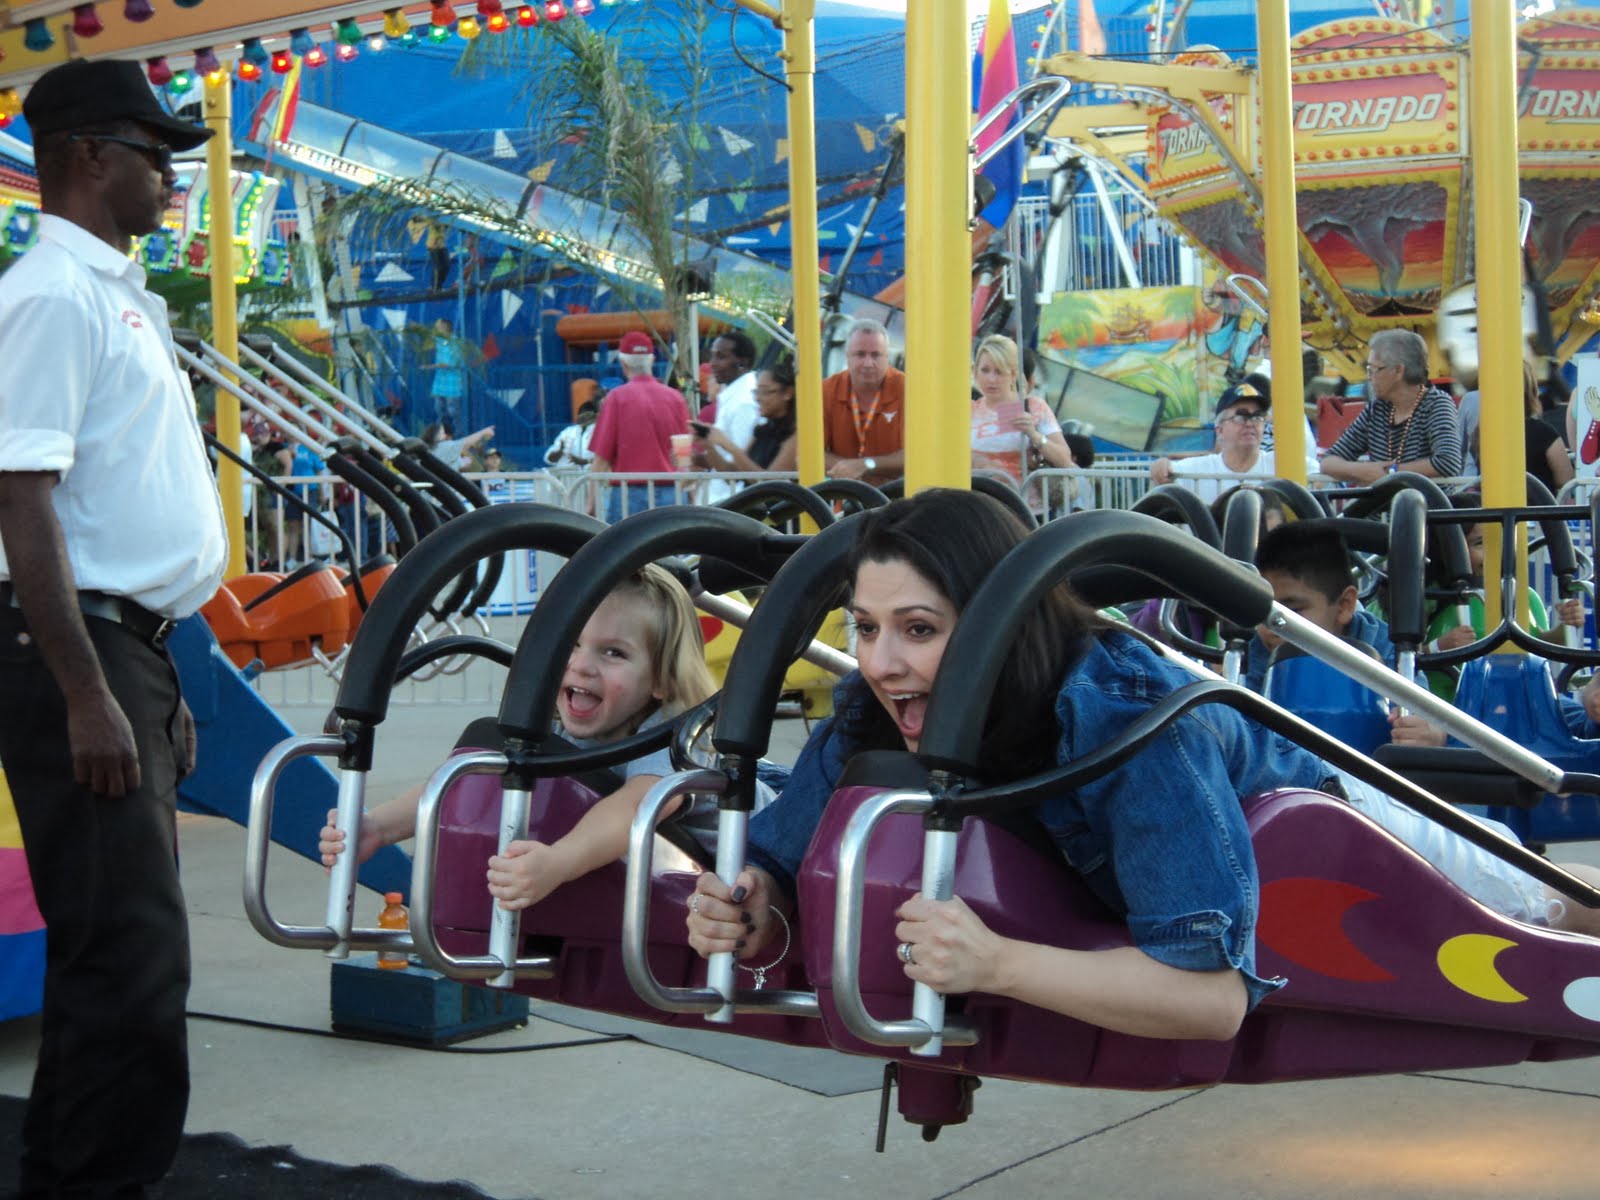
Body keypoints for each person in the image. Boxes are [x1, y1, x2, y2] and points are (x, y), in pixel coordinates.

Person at [684, 490, 1600, 1042]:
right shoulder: (869, 711)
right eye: (867, 628)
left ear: (1002, 628)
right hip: (1205, 835)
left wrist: (998, 965)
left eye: (919, 630)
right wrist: (749, 911)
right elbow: (770, 864)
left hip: (1318, 813)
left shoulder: (1127, 723)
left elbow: (1208, 1002)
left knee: (1544, 907)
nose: (880, 663)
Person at [0, 59, 228, 1198]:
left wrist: (152, 676)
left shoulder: (112, 291)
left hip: (120, 649)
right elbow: (22, 499)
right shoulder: (52, 294)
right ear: (91, 154)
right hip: (73, 659)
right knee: (132, 967)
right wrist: (86, 690)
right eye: (156, 154)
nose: (170, 177)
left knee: (114, 962)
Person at [319, 566, 761, 906]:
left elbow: (636, 808)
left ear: (661, 679)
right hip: (667, 878)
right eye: (571, 643)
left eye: (613, 652)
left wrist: (560, 862)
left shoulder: (673, 734)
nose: (581, 665)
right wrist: (377, 827)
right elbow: (465, 779)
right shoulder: (558, 723)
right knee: (495, 744)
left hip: (758, 858)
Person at [1248, 523, 1395, 694]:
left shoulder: (1388, 651)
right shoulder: (1253, 654)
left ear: (1344, 606)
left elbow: (1418, 714)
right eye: (1263, 612)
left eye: (1293, 612)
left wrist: (1418, 721)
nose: (1270, 627)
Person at [1320, 330, 1463, 483]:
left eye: (1373, 369)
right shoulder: (1377, 409)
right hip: (1384, 504)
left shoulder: (1437, 404)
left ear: (1398, 370)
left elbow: (1448, 462)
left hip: (1427, 504)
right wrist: (1364, 470)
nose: (1369, 377)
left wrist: (1390, 473)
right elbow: (1329, 462)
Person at [1149, 382, 1316, 504]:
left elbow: (1321, 473)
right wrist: (1162, 466)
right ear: (1219, 429)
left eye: (1257, 416)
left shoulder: (1283, 465)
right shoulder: (1193, 471)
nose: (1250, 423)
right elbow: (1165, 475)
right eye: (1241, 416)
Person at [589, 331, 690, 522]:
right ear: (651, 360)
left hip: (628, 495)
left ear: (623, 363)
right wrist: (690, 494)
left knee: (626, 549)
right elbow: (684, 456)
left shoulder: (616, 399)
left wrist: (591, 504)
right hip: (672, 492)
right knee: (673, 550)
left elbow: (601, 459)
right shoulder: (675, 398)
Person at [969, 334, 1071, 489]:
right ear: (975, 372)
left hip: (1026, 506)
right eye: (985, 370)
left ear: (1013, 374)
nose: (991, 379)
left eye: (999, 371)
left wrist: (1035, 435)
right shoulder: (969, 409)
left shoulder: (1033, 406)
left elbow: (1065, 460)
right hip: (980, 503)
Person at [822, 319, 906, 487]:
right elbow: (808, 454)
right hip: (844, 498)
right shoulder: (826, 390)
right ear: (847, 356)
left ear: (887, 357)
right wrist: (849, 469)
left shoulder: (908, 389)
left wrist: (865, 465)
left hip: (898, 497)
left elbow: (918, 455)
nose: (868, 363)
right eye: (860, 354)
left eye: (876, 355)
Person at [695, 361, 798, 473]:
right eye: (756, 391)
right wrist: (708, 445)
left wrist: (729, 446)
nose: (758, 398)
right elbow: (733, 472)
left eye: (764, 391)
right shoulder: (762, 430)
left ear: (788, 393)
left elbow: (770, 480)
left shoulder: (795, 435)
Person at [699, 331, 760, 505]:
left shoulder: (745, 401)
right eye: (712, 356)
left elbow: (740, 463)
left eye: (721, 357)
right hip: (721, 500)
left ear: (742, 362)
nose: (712, 363)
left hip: (733, 502)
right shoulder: (732, 395)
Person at [420, 316, 468, 429]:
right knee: (439, 410)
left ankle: (459, 435)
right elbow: (428, 335)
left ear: (445, 328)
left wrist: (428, 367)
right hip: (440, 383)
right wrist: (417, 327)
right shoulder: (439, 341)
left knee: (453, 411)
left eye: (439, 327)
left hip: (452, 383)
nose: (436, 330)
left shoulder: (455, 343)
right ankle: (442, 435)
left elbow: (446, 364)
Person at [543, 399, 598, 469]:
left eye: (589, 415)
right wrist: (560, 451)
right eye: (582, 415)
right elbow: (549, 459)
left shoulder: (601, 432)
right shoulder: (568, 432)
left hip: (592, 477)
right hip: (568, 478)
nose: (585, 418)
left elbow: (608, 460)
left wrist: (585, 461)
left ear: (596, 416)